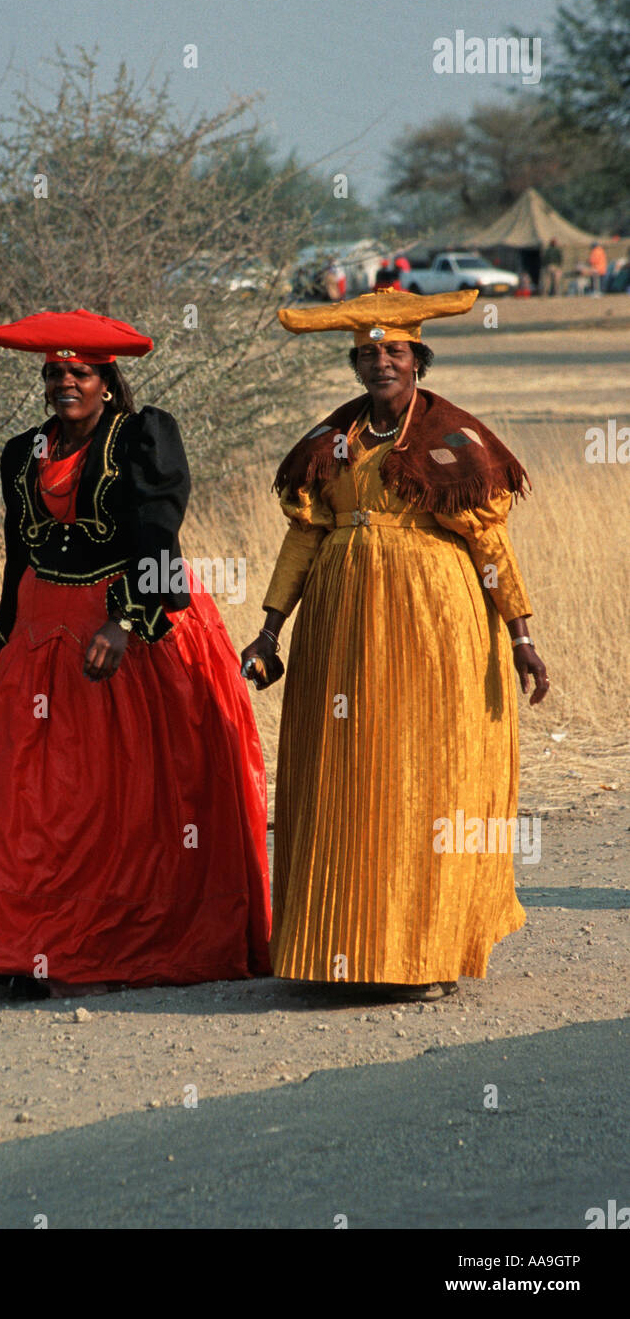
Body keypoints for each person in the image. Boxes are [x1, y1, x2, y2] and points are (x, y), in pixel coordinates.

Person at [0, 308, 271, 997]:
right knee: (21, 789)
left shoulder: (143, 438)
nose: (65, 382)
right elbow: (18, 550)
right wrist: (3, 632)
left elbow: (159, 534)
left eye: (79, 373)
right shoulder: (24, 452)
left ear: (106, 381)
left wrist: (124, 621)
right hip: (43, 630)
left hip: (132, 627)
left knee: (126, 793)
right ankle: (11, 946)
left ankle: (119, 943)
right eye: (54, 372)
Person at [241, 289, 549, 1003]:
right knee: (343, 778)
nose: (382, 362)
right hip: (340, 633)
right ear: (356, 365)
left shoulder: (455, 441)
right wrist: (268, 628)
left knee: (425, 776)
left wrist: (520, 632)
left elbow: (489, 542)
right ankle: (340, 949)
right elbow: (303, 537)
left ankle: (427, 947)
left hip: (434, 630)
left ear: (418, 361)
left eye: (395, 352)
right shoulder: (333, 442)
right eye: (369, 353)